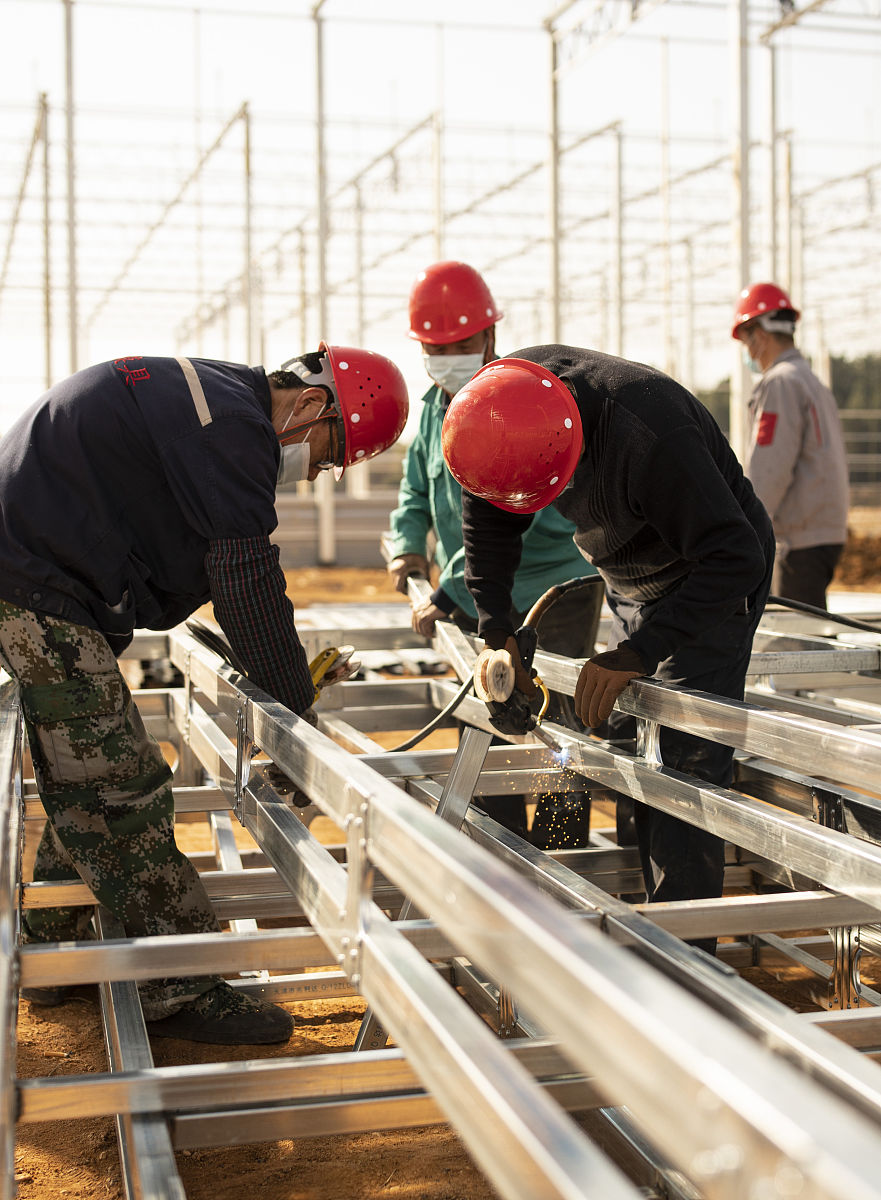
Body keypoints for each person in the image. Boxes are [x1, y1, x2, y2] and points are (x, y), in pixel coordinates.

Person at [0, 346, 408, 1042]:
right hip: (36, 584)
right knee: (120, 783)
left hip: (39, 574)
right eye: (327, 454)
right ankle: (181, 981)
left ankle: (55, 943)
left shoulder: (209, 398)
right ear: (312, 406)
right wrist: (295, 718)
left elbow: (198, 562)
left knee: (86, 771)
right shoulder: (233, 429)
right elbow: (245, 577)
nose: (314, 473)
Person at [442, 347, 775, 947]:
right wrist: (496, 635)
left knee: (684, 756)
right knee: (626, 734)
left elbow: (736, 557)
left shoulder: (650, 434)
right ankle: (636, 906)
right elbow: (487, 529)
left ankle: (683, 956)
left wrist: (642, 651)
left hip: (710, 577)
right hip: (627, 576)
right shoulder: (495, 418)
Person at [386, 262, 599, 846]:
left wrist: (449, 590)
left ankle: (563, 861)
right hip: (479, 597)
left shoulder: (520, 400)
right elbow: (414, 494)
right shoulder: (433, 412)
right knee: (485, 723)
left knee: (559, 731)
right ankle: (498, 856)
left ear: (489, 339)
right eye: (437, 347)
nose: (449, 356)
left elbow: (532, 526)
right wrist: (407, 551)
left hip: (553, 592)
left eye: (462, 344)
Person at [733, 282, 849, 609]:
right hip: (822, 533)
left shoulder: (780, 383)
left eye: (744, 337)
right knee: (810, 631)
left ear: (761, 335)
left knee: (793, 645)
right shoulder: (810, 380)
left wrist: (743, 531)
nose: (745, 349)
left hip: (796, 541)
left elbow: (769, 469)